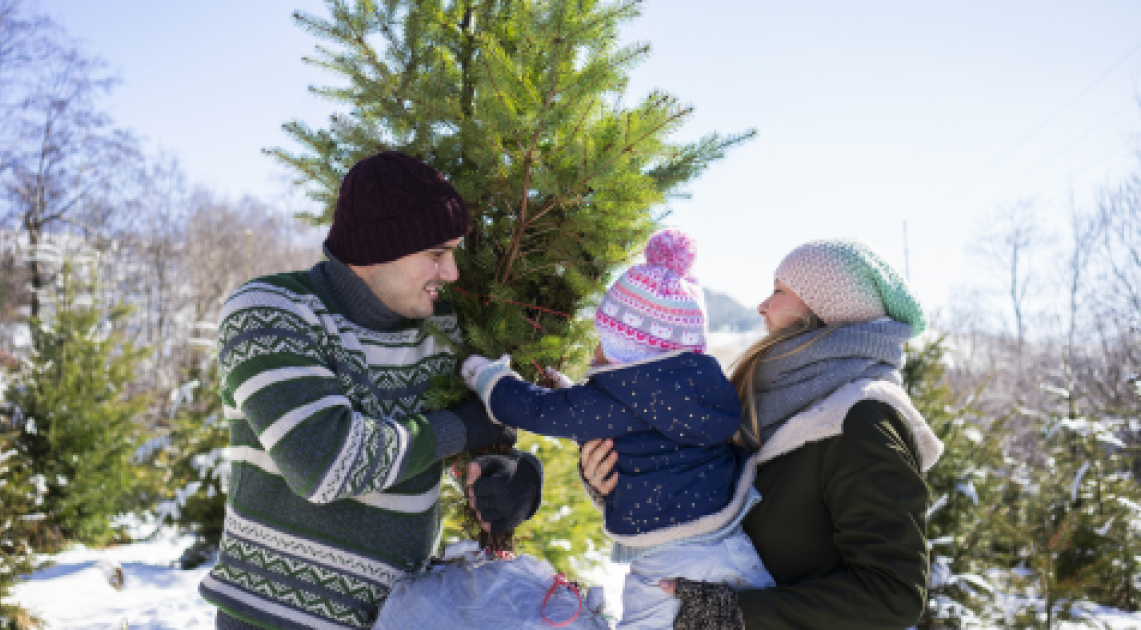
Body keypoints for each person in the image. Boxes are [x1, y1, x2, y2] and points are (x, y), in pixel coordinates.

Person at [202, 151, 545, 630]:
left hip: (400, 617)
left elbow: (481, 448)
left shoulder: (441, 330)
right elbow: (324, 464)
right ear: (378, 250)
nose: (452, 273)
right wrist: (466, 424)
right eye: (436, 254)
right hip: (274, 619)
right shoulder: (269, 311)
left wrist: (516, 477)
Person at [582, 237, 945, 629]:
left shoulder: (862, 417)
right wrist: (614, 482)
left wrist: (739, 614)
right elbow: (709, 502)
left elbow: (893, 595)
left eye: (778, 291)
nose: (762, 306)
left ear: (825, 309)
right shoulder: (761, 402)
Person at [461, 229, 774, 630]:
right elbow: (639, 423)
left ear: (624, 347)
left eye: (603, 339)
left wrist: (491, 379)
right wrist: (579, 398)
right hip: (732, 543)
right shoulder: (702, 389)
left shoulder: (612, 401)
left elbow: (539, 410)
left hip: (665, 560)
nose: (595, 351)